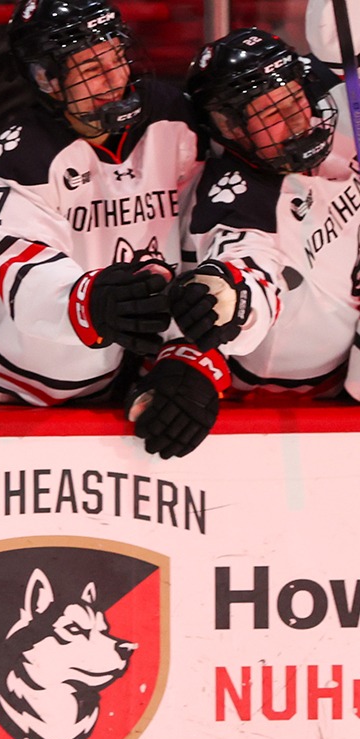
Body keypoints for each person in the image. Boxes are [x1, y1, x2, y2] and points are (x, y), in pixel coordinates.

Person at [0, 0, 206, 454]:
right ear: (46, 79)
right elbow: (24, 271)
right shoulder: (17, 159)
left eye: (116, 56)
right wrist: (91, 301)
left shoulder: (173, 118)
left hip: (149, 375)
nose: (115, 78)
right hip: (36, 397)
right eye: (92, 67)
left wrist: (193, 359)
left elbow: (208, 238)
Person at [158, 28, 358, 457]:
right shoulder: (239, 198)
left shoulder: (327, 115)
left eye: (294, 99)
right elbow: (247, 267)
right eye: (271, 114)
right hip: (297, 399)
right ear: (231, 127)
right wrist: (228, 297)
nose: (295, 120)